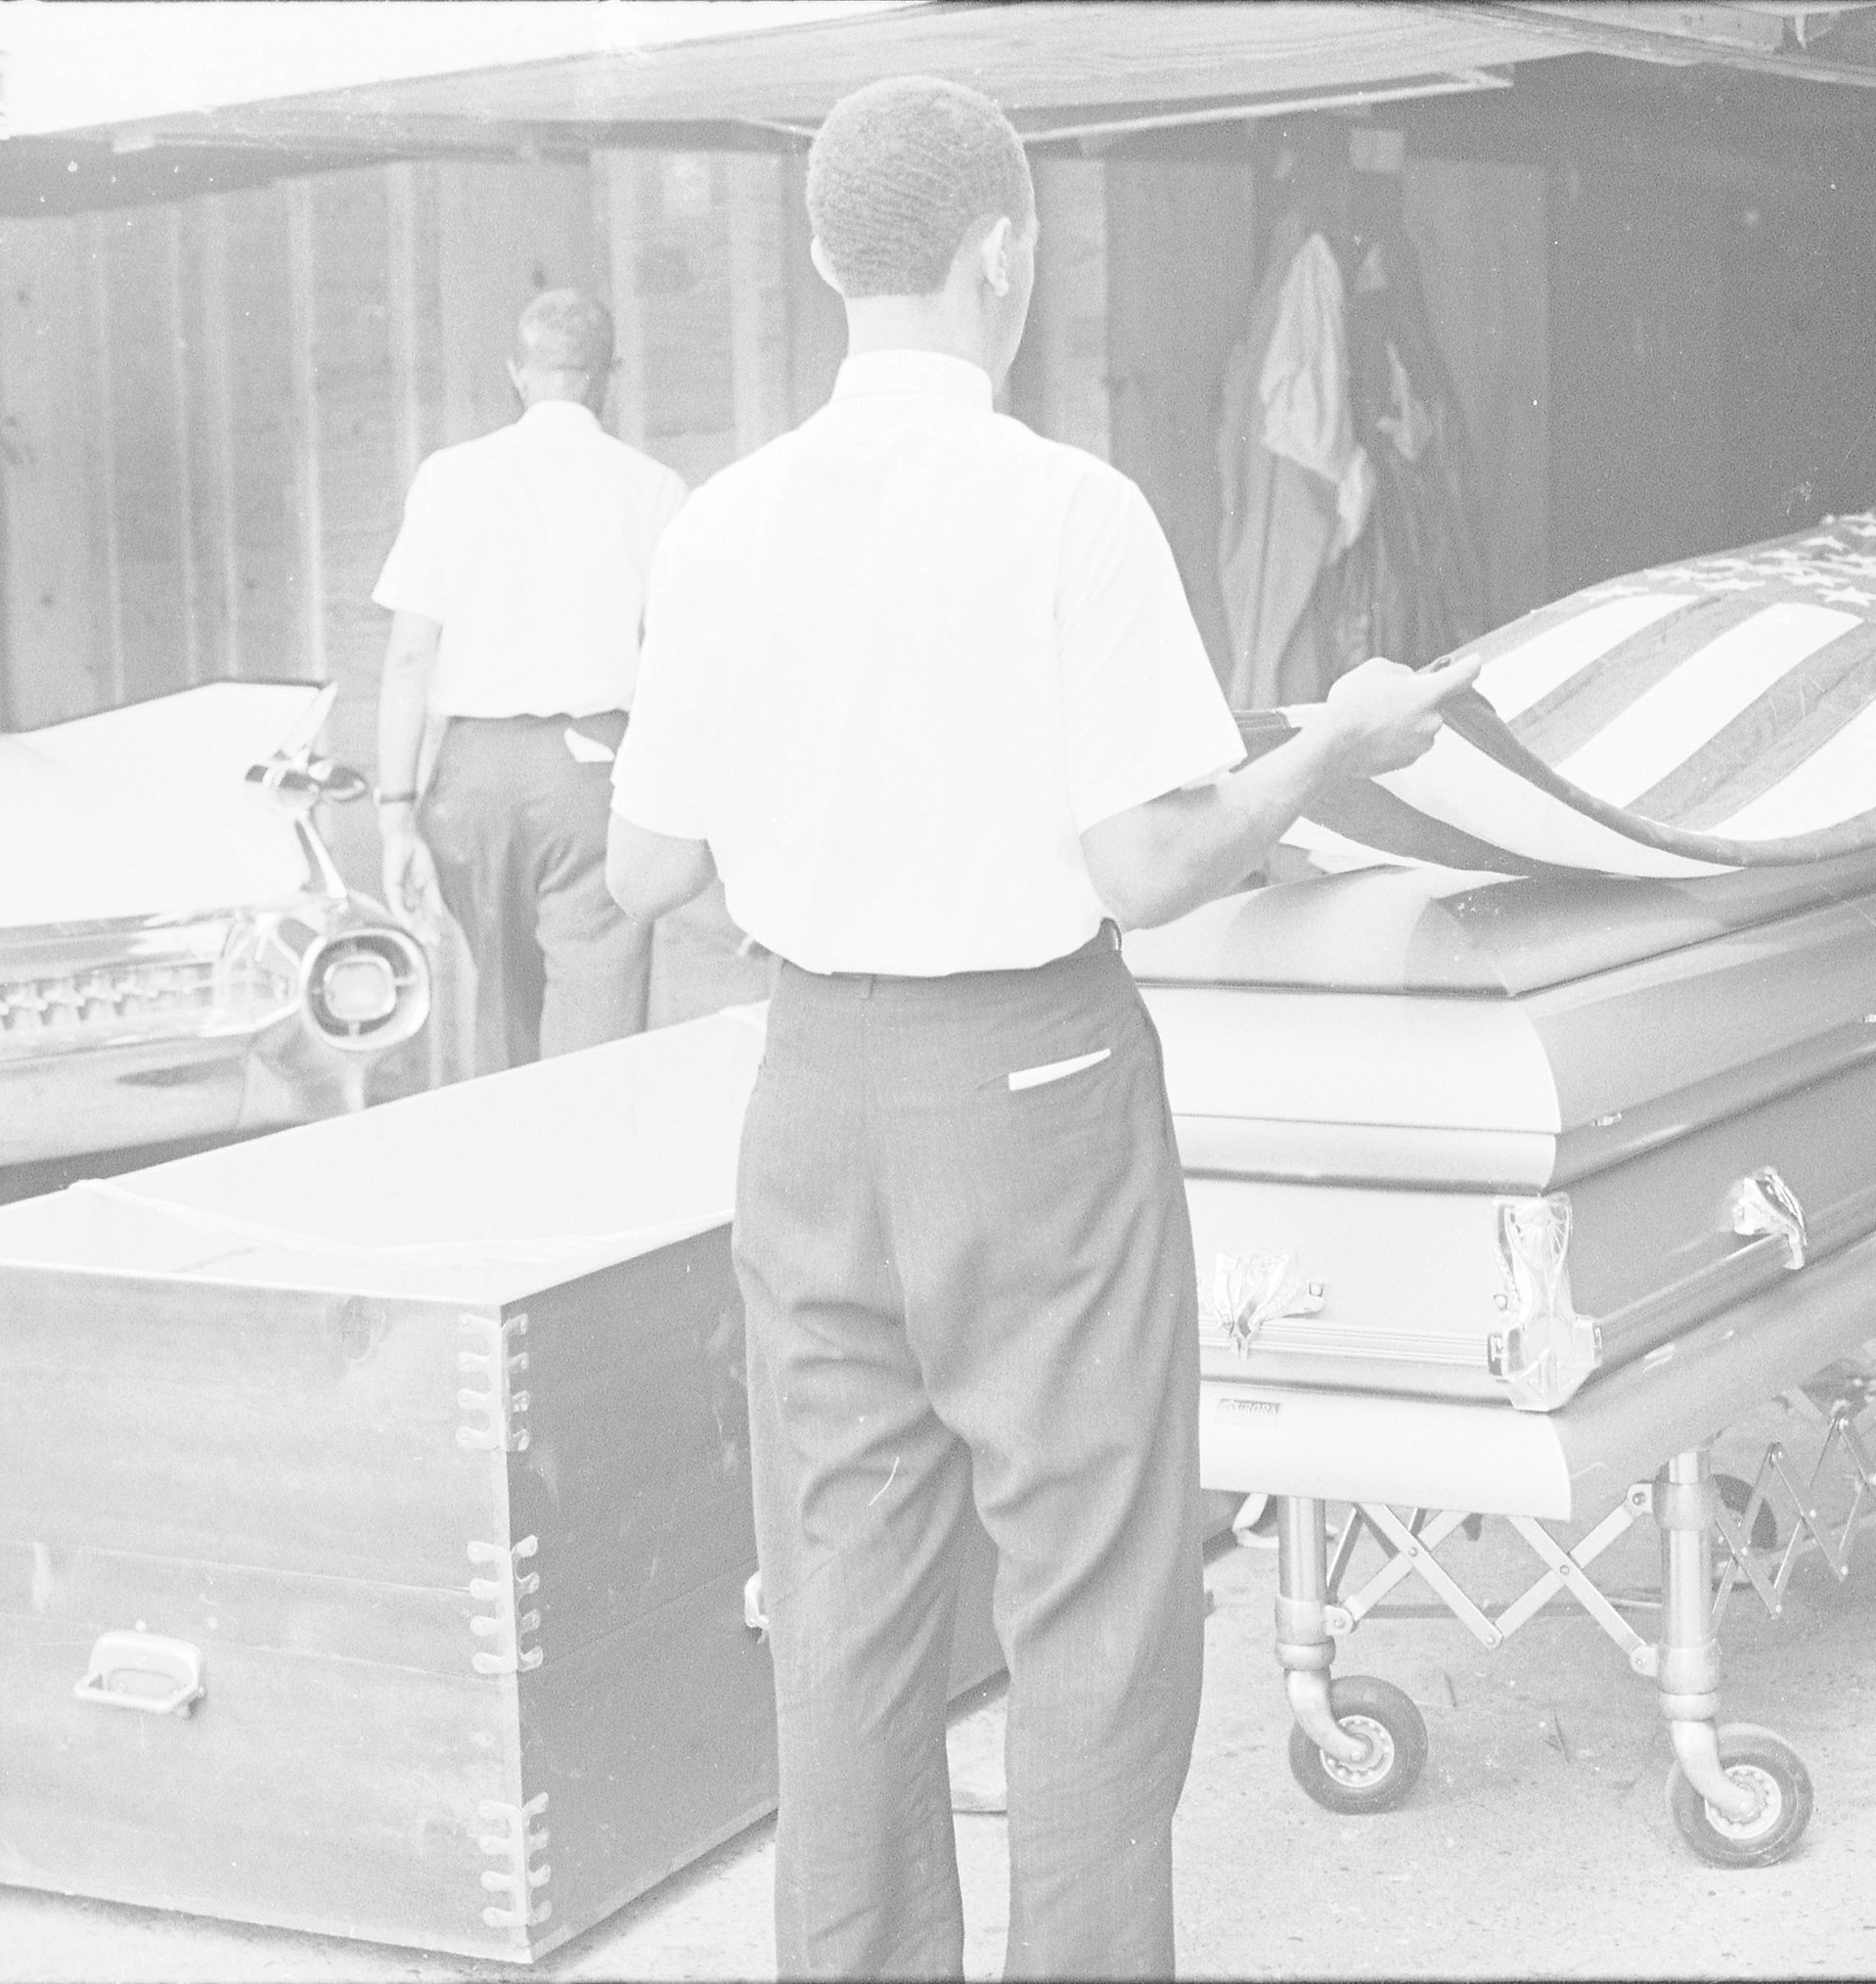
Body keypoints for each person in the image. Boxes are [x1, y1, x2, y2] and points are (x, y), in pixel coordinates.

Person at [603, 76, 1482, 1981]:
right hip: (1033, 1088)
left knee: (838, 1616)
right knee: (1089, 1608)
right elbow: (1154, 861)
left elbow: (646, 866)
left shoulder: (719, 528)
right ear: (1009, 253)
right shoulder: (1068, 510)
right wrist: (1334, 741)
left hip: (811, 1095)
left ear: (824, 254)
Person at [372, 289, 687, 1073]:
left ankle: (509, 1176)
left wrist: (395, 814)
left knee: (502, 1007)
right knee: (595, 1019)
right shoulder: (653, 488)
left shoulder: (450, 478)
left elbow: (410, 656)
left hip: (473, 780)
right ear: (606, 375)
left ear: (517, 373)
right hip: (595, 775)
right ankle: (589, 1177)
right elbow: (680, 660)